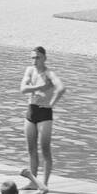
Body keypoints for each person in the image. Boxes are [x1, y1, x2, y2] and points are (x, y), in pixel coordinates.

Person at [20, 46, 65, 184]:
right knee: (31, 149)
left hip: (44, 113)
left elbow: (62, 88)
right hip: (31, 111)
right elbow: (23, 89)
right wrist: (39, 88)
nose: (35, 60)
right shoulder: (30, 70)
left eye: (37, 57)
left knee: (45, 150)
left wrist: (51, 103)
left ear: (44, 58)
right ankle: (33, 182)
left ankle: (44, 184)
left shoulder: (49, 73)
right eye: (32, 57)